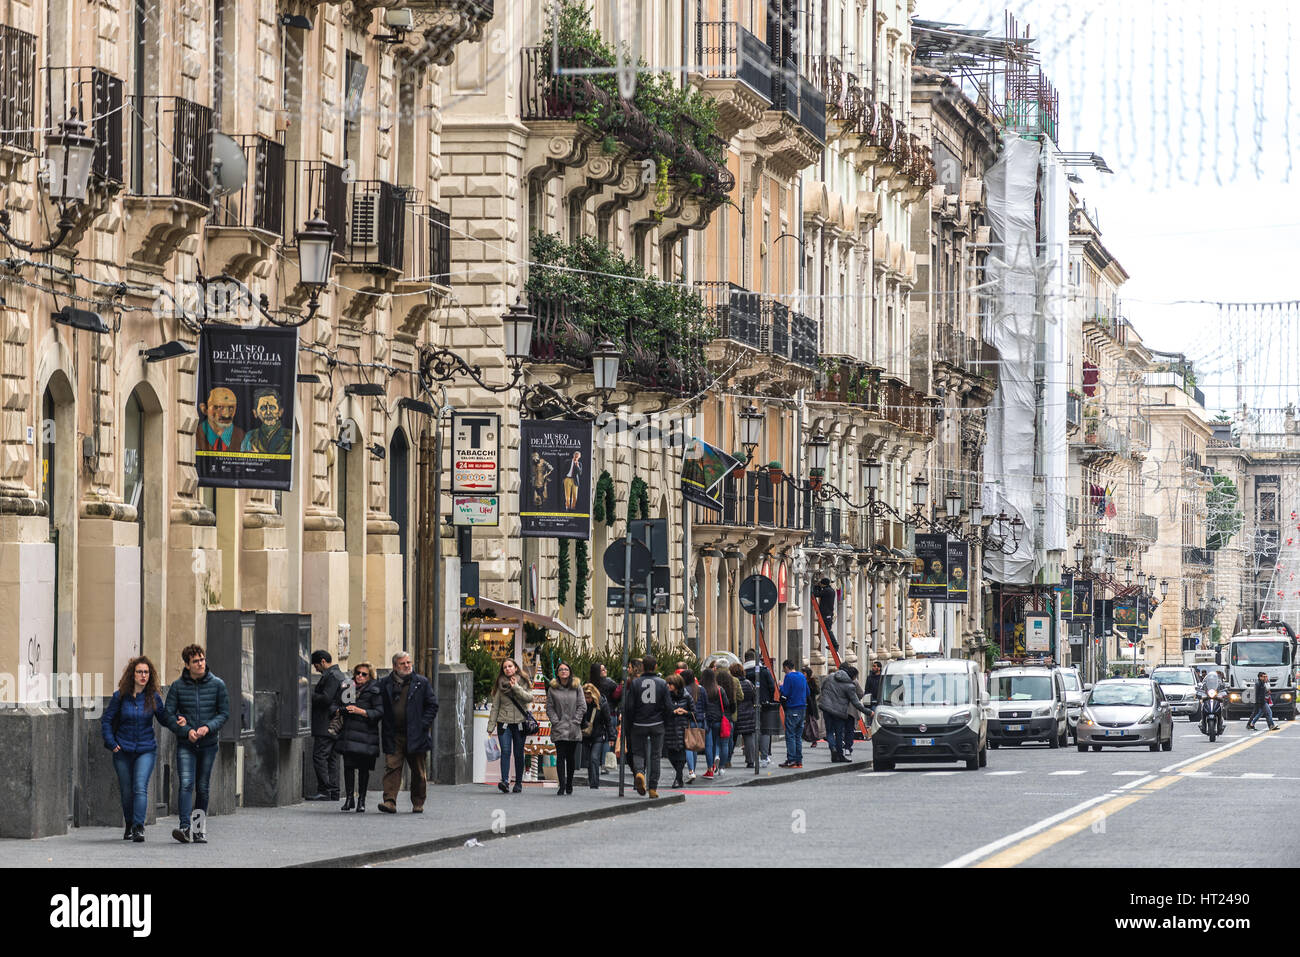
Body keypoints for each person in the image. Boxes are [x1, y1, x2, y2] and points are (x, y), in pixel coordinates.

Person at [164, 644, 230, 844]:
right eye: (196, 661)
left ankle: (199, 829)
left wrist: (208, 728)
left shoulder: (218, 684)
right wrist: (187, 730)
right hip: (187, 743)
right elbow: (168, 714)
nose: (201, 663)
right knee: (186, 784)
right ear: (187, 664)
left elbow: (224, 713)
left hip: (209, 743)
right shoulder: (177, 686)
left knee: (202, 787)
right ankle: (184, 827)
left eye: (202, 659)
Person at [101, 656, 168, 842]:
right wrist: (112, 743)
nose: (143, 675)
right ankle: (129, 824)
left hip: (146, 749)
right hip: (122, 750)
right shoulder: (120, 697)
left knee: (140, 787)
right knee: (126, 790)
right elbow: (106, 721)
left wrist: (179, 720)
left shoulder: (153, 697)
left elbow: (164, 718)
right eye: (139, 672)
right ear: (133, 674)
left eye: (146, 672)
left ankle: (139, 827)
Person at [376, 651, 438, 813]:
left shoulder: (421, 683)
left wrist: (423, 724)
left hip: (416, 734)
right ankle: (389, 801)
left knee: (418, 771)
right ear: (395, 666)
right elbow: (377, 703)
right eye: (403, 663)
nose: (407, 666)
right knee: (392, 767)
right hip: (393, 733)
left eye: (409, 662)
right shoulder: (385, 683)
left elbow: (432, 705)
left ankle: (418, 802)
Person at [335, 662, 383, 812]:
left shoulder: (375, 690)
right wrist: (341, 710)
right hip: (349, 733)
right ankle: (349, 799)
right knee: (348, 766)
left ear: (370, 676)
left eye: (364, 674)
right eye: (358, 673)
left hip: (366, 735)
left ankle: (361, 800)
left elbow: (379, 712)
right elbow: (336, 705)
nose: (360, 676)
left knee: (363, 769)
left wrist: (361, 711)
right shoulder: (347, 687)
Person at [622, 655, 670, 798]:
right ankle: (653, 787)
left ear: (642, 667)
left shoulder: (636, 683)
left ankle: (639, 772)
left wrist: (630, 724)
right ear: (655, 667)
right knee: (655, 755)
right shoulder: (662, 683)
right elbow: (668, 706)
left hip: (639, 723)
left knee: (638, 752)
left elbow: (629, 707)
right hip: (657, 724)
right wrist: (664, 722)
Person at [486, 658, 533, 794]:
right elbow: (495, 707)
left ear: (516, 668)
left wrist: (516, 687)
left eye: (510, 666)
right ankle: (505, 781)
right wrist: (490, 727)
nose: (508, 669)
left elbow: (529, 698)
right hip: (504, 723)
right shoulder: (500, 685)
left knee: (518, 753)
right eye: (505, 667)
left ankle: (518, 783)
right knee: (505, 752)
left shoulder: (523, 682)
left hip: (519, 723)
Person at [307, 650, 345, 801]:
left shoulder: (332, 676)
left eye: (316, 665)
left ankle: (325, 790)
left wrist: (309, 694)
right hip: (334, 723)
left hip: (326, 723)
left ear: (323, 662)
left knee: (320, 756)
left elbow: (326, 698)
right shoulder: (338, 674)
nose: (316, 669)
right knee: (332, 758)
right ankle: (333, 790)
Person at [546, 662, 586, 796]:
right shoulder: (552, 689)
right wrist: (555, 721)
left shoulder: (577, 687)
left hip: (573, 728)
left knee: (570, 757)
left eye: (566, 669)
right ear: (557, 673)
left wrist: (576, 721)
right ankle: (561, 785)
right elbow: (549, 707)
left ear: (570, 671)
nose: (563, 671)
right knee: (560, 756)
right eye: (561, 669)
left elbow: (582, 706)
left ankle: (569, 783)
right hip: (559, 727)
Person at [819, 665, 871, 762]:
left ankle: (832, 748)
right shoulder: (850, 686)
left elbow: (823, 688)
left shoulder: (830, 677)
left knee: (829, 731)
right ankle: (840, 754)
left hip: (826, 708)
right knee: (839, 733)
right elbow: (856, 702)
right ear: (853, 676)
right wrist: (869, 712)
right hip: (839, 711)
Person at [744, 650, 779, 766]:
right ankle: (764, 757)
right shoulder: (764, 671)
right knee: (764, 730)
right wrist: (768, 697)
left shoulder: (742, 672)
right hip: (764, 703)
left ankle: (751, 759)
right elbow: (771, 686)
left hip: (748, 705)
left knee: (751, 732)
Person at [664, 673, 696, 788]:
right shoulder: (666, 696)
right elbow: (663, 710)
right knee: (671, 755)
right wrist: (673, 712)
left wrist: (686, 712)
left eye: (670, 684)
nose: (668, 686)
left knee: (681, 755)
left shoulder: (687, 696)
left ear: (677, 685)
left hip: (683, 730)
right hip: (670, 729)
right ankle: (679, 776)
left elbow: (695, 713)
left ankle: (678, 778)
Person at [698, 667, 729, 778]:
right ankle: (719, 763)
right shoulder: (719, 689)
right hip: (718, 719)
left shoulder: (701, 690)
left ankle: (710, 769)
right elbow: (726, 704)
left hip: (706, 720)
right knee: (719, 743)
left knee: (708, 745)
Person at [580, 682, 612, 789]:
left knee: (594, 758)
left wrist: (611, 736)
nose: (587, 699)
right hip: (585, 735)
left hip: (598, 735)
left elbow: (608, 721)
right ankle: (592, 781)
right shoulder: (581, 705)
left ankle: (594, 783)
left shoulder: (602, 704)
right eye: (585, 697)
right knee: (589, 760)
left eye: (588, 697)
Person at [240, 388, 291, 454]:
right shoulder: (249, 436)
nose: (268, 412)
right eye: (263, 408)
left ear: (280, 412)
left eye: (272, 407)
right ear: (255, 413)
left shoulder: (290, 437)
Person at [778, 659, 808, 768]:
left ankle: (791, 759)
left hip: (792, 708)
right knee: (798, 736)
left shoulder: (789, 677)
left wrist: (781, 686)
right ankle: (798, 760)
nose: (783, 671)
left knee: (790, 735)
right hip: (802, 708)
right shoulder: (802, 676)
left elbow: (785, 693)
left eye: (783, 669)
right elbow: (807, 692)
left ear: (786, 667)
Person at [195, 386, 244, 452]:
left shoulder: (244, 438)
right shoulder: (195, 435)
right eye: (218, 407)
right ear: (204, 409)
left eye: (231, 408)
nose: (226, 415)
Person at [729, 662, 758, 768]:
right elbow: (754, 697)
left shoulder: (732, 683)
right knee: (748, 737)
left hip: (735, 713)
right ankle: (750, 761)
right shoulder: (749, 683)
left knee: (731, 737)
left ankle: (728, 759)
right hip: (748, 713)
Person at [715, 663, 741, 769]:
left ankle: (717, 758)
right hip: (730, 714)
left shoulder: (714, 681)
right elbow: (741, 696)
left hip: (716, 714)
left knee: (716, 740)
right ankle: (727, 761)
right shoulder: (734, 680)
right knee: (728, 740)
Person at [681, 668, 703, 782]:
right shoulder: (701, 689)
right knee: (694, 747)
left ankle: (691, 771)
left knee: (688, 746)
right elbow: (705, 705)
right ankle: (693, 769)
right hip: (699, 720)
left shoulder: (683, 691)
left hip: (687, 720)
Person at [812, 578, 838, 652]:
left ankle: (835, 645)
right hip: (829, 613)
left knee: (828, 630)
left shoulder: (827, 591)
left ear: (824, 584)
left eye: (821, 583)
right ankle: (834, 645)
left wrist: (815, 587)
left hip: (826, 614)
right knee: (828, 630)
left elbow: (816, 594)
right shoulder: (831, 590)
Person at [802, 666, 821, 749]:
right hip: (802, 703)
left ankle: (814, 739)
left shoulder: (812, 681)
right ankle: (806, 737)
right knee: (804, 723)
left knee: (811, 722)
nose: (803, 674)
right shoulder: (801, 680)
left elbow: (817, 691)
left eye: (804, 673)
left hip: (810, 705)